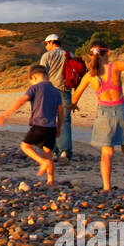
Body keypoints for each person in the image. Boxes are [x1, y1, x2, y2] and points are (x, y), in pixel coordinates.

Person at [71, 36, 124, 193]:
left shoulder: (90, 76)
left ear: (90, 55)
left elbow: (75, 97)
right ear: (107, 52)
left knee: (107, 152)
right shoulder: (115, 67)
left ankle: (107, 187)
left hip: (104, 113)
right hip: (121, 110)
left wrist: (73, 106)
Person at [0, 65, 64, 184]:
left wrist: (4, 115)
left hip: (38, 126)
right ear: (47, 76)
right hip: (51, 128)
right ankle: (51, 181)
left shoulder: (34, 88)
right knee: (48, 154)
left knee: (25, 146)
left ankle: (41, 162)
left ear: (34, 78)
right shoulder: (56, 92)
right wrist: (59, 128)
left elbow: (21, 101)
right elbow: (61, 112)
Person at [39, 33, 73, 162]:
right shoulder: (70, 55)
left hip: (50, 92)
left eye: (46, 44)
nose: (46, 46)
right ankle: (65, 152)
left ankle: (52, 151)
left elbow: (41, 75)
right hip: (65, 91)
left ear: (52, 43)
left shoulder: (47, 56)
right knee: (65, 122)